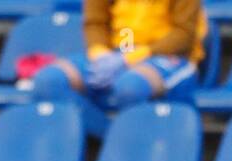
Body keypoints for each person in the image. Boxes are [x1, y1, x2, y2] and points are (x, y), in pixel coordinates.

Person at [33, 0, 207, 112]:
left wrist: (129, 59)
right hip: (116, 52)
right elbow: (95, 23)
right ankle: (104, 136)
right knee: (50, 81)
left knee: (130, 86)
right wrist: (100, 55)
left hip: (166, 54)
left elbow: (184, 35)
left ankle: (127, 148)